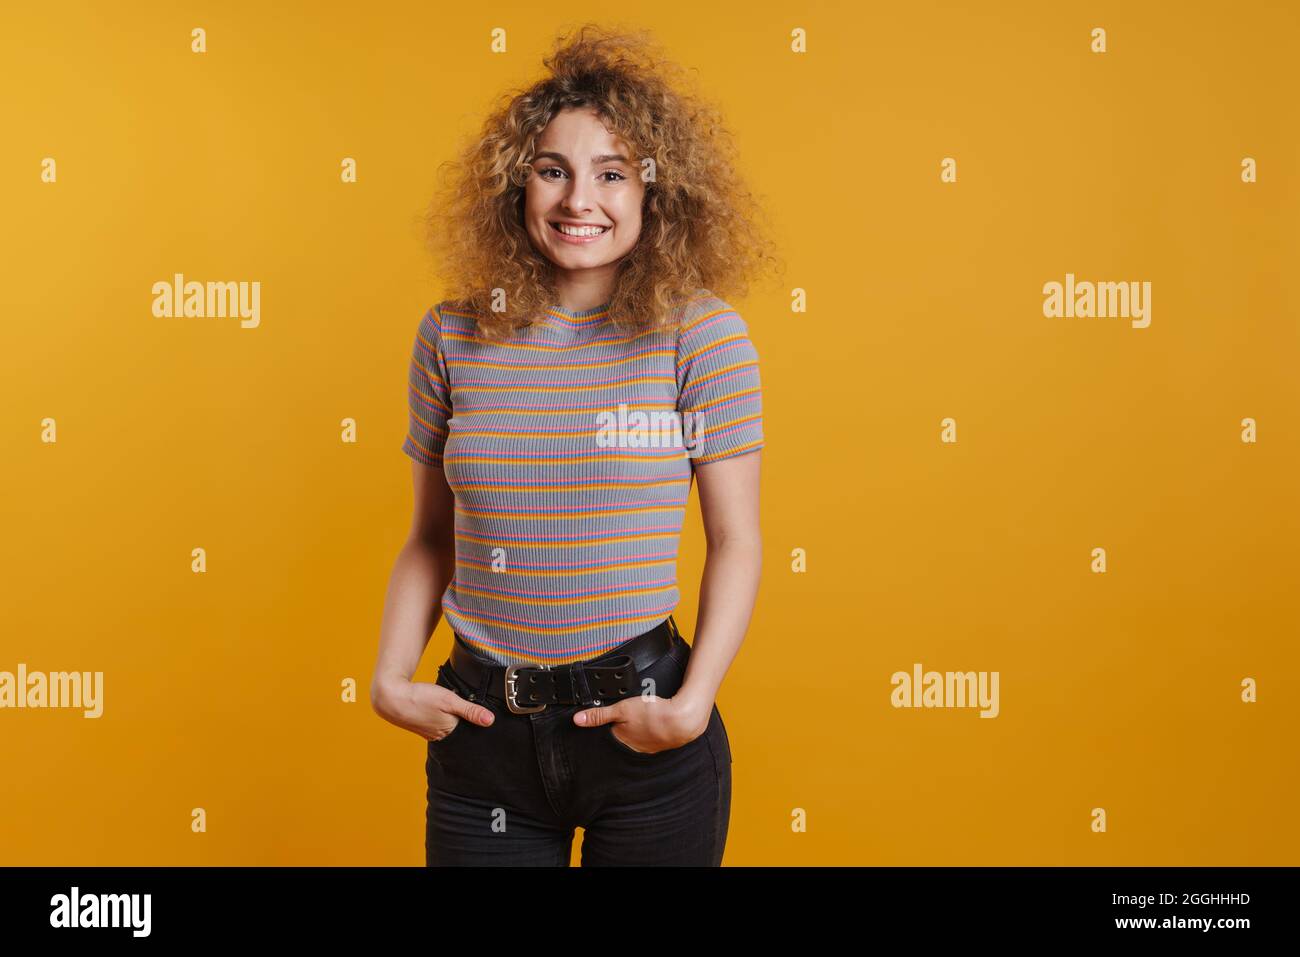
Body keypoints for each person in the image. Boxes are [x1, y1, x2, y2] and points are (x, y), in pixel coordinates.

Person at [370, 23, 779, 866]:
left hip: (645, 735)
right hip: (481, 740)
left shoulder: (701, 335)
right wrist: (388, 677)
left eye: (612, 173)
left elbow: (738, 539)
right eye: (553, 170)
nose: (577, 200)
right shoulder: (452, 333)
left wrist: (693, 703)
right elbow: (428, 537)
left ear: (655, 191)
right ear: (517, 186)